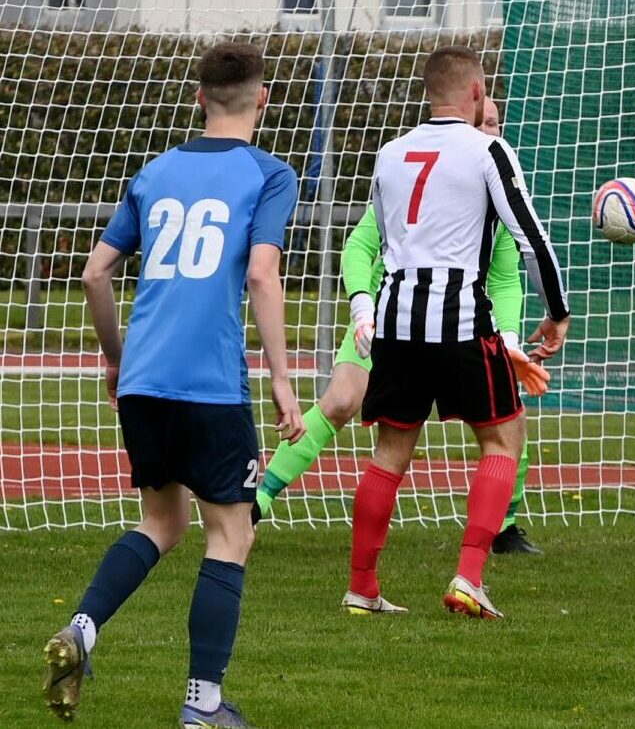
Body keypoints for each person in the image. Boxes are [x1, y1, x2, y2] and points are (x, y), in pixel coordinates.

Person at [43, 42, 304, 728]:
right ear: (263, 99)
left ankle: (82, 627)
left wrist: (114, 358)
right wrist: (282, 380)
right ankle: (203, 705)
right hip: (210, 383)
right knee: (231, 531)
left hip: (145, 379)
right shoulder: (270, 173)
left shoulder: (156, 170)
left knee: (162, 521)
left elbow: (95, 274)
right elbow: (260, 275)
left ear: (198, 99)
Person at [253, 97, 548, 560]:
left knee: (508, 416)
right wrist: (362, 308)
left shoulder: (499, 193)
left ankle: (504, 527)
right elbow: (358, 247)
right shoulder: (420, 177)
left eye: (495, 122)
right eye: (482, 121)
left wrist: (509, 341)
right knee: (342, 400)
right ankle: (257, 500)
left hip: (456, 320)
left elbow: (507, 280)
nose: (490, 129)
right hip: (386, 316)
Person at [344, 46, 570, 620]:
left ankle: (362, 587)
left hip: (396, 318)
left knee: (390, 452)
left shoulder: (391, 153)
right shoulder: (488, 149)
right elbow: (531, 238)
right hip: (462, 317)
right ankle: (469, 577)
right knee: (502, 437)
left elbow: (387, 239)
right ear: (476, 93)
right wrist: (557, 310)